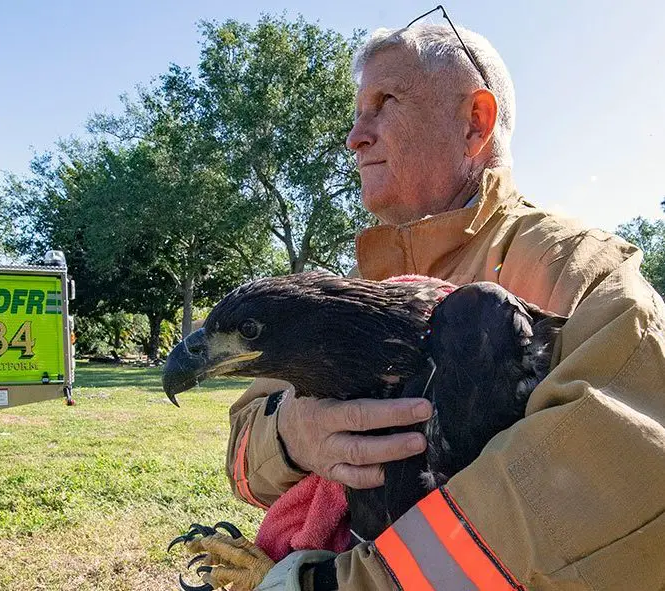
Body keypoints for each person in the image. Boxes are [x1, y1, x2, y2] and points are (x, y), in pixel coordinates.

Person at [224, 18, 665, 591]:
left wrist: (335, 585)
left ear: (474, 122)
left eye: (385, 102)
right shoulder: (347, 288)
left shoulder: (578, 268)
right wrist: (291, 435)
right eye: (357, 113)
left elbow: (618, 476)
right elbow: (241, 453)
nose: (356, 136)